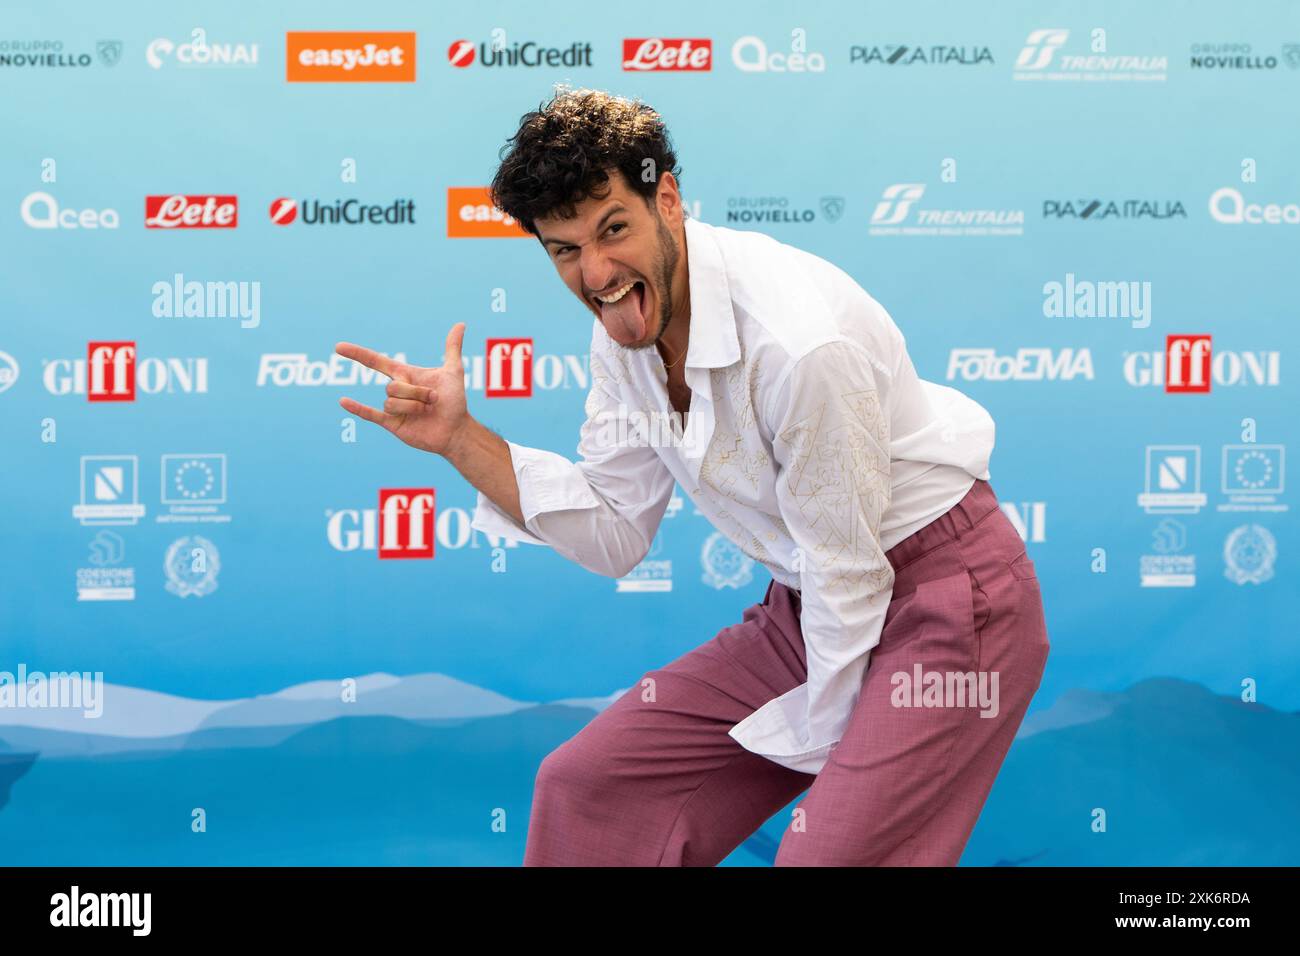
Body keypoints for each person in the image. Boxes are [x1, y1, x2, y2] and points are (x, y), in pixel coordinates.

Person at [335, 87, 1050, 866]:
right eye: (564, 250)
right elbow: (614, 530)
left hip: (947, 604)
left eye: (613, 230)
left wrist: (827, 751)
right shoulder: (620, 341)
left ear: (666, 199)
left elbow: (849, 571)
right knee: (587, 789)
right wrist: (459, 440)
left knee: (823, 859)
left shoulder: (798, 344)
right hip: (816, 600)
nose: (597, 273)